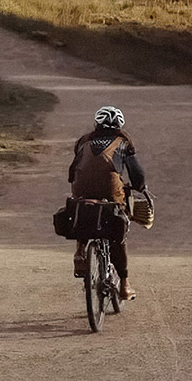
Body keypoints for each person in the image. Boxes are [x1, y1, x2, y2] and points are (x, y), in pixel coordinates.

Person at [69, 105, 146, 300]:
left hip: (81, 188)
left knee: (83, 211)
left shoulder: (83, 141)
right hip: (111, 191)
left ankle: (80, 251)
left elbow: (72, 171)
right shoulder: (123, 142)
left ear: (96, 123)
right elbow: (136, 173)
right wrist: (140, 186)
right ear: (119, 125)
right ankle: (125, 285)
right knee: (119, 231)